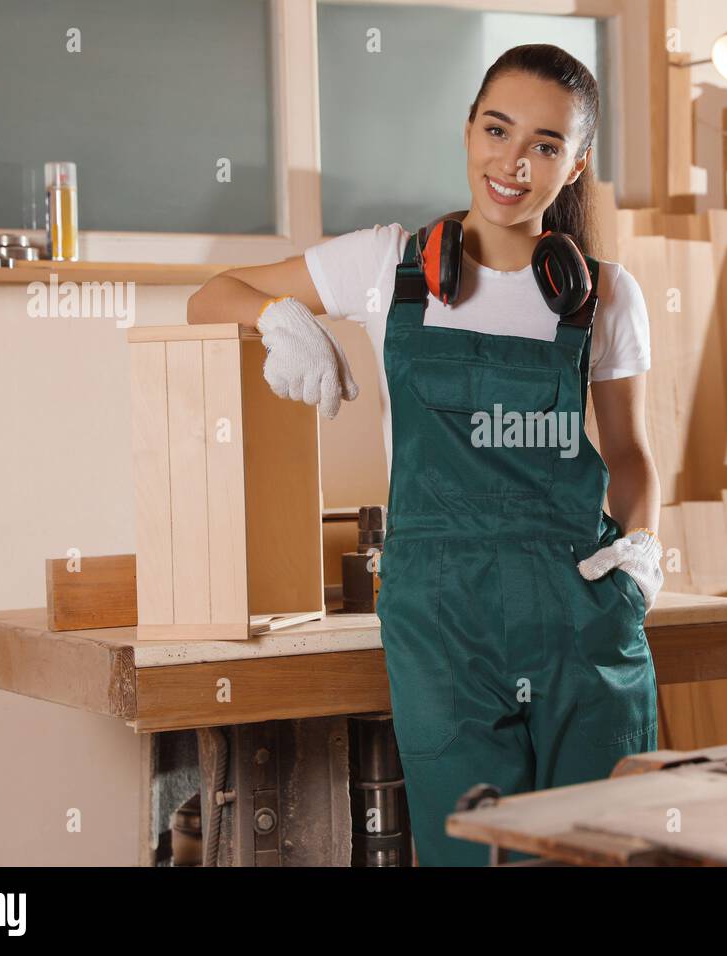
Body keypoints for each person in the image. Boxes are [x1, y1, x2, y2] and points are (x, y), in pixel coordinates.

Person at [188, 43, 663, 867]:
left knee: (603, 850)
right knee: (468, 851)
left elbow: (630, 451)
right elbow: (208, 296)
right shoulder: (387, 267)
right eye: (496, 130)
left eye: (546, 146)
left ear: (578, 162)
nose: (512, 163)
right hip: (442, 622)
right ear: (468, 130)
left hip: (581, 613)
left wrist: (637, 561)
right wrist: (278, 321)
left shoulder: (607, 293)